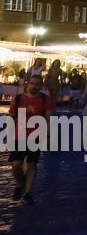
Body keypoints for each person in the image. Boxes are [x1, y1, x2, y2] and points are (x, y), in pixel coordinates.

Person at [9, 74, 52, 204]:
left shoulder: (45, 99)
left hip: (36, 135)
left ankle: (27, 192)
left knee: (32, 164)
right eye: (32, 83)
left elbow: (49, 119)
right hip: (19, 135)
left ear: (41, 86)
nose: (34, 86)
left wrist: (48, 137)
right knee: (16, 165)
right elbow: (11, 116)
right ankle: (20, 184)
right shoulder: (18, 98)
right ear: (27, 83)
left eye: (37, 84)